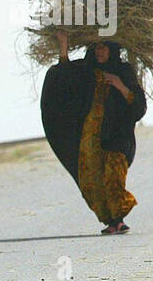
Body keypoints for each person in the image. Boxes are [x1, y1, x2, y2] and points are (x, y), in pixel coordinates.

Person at [41, 31, 147, 234]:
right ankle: (110, 221)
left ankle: (118, 219)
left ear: (113, 49)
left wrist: (119, 85)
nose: (99, 51)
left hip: (118, 137)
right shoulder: (86, 70)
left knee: (113, 177)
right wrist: (63, 46)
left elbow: (139, 106)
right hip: (90, 139)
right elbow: (64, 78)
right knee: (91, 181)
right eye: (96, 47)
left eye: (104, 47)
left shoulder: (123, 71)